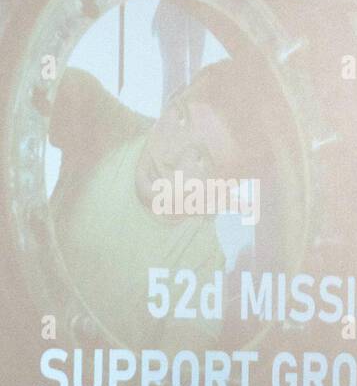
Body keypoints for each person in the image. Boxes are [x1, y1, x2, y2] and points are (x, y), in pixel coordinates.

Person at [47, 56, 275, 358]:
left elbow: (179, 373)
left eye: (200, 159)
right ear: (171, 99)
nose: (169, 155)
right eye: (180, 117)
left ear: (222, 192)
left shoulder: (202, 266)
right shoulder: (107, 126)